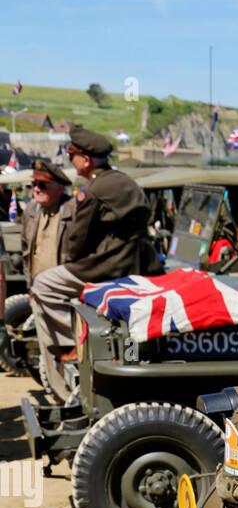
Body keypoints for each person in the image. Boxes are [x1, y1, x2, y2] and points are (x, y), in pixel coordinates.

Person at [30, 126, 160, 401]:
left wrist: (70, 263)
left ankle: (73, 344)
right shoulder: (124, 180)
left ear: (86, 160)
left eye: (73, 156)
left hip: (109, 265)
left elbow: (78, 240)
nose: (71, 161)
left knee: (43, 284)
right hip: (140, 261)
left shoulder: (93, 189)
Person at [22, 158, 75, 287]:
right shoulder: (30, 211)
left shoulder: (74, 211)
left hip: (64, 290)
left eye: (42, 185)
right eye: (34, 184)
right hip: (37, 287)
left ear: (60, 187)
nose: (36, 189)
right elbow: (26, 253)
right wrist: (30, 288)